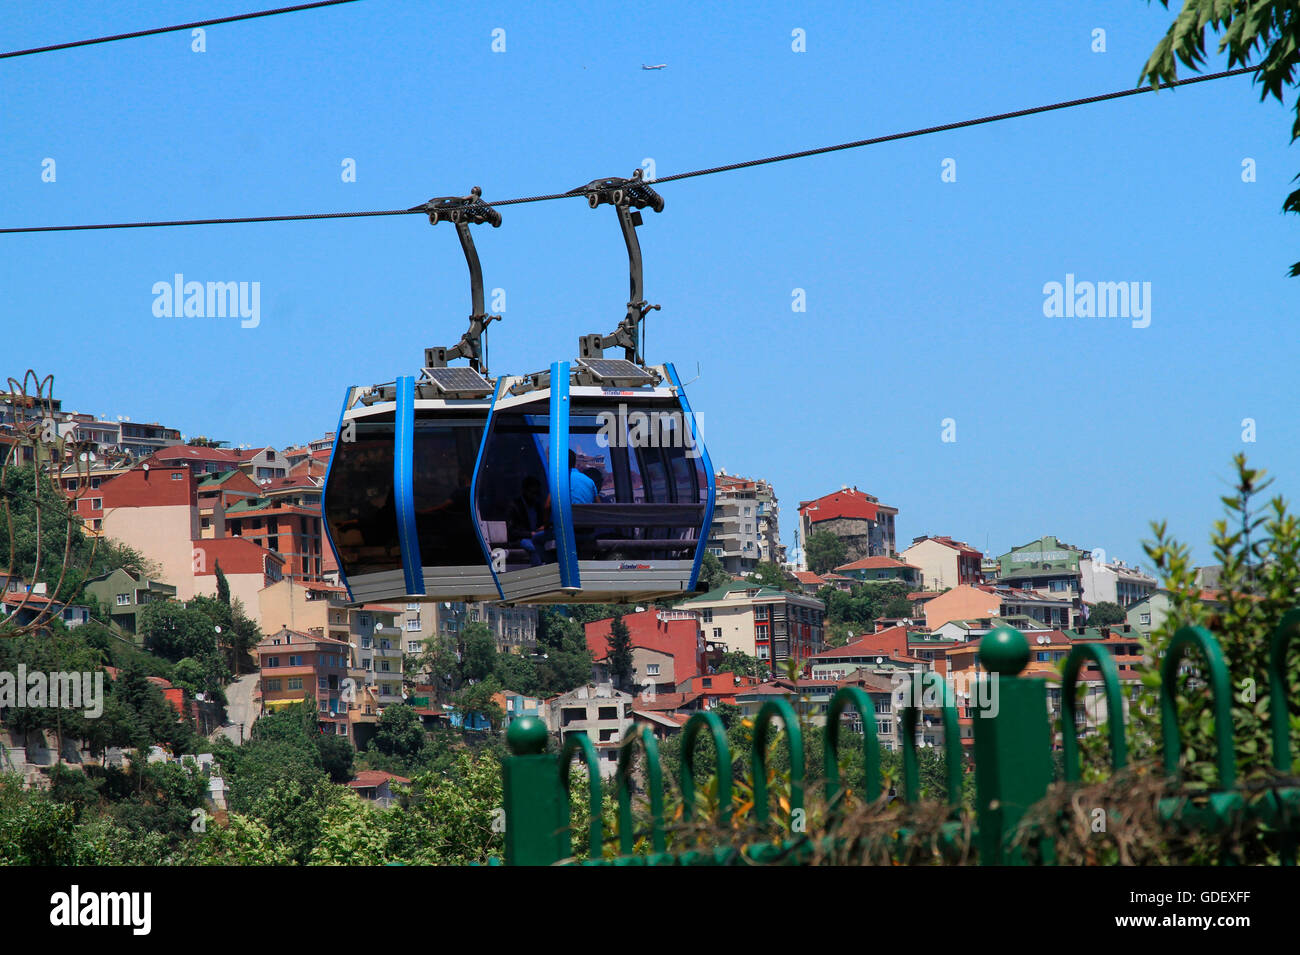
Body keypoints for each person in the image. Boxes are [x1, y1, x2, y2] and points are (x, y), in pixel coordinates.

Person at [507, 476, 546, 566]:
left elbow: (540, 523)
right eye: (532, 493)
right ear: (525, 491)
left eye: (537, 493)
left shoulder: (537, 506)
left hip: (535, 537)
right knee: (534, 547)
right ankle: (538, 570)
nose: (535, 496)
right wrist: (530, 534)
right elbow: (512, 532)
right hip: (520, 539)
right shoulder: (515, 507)